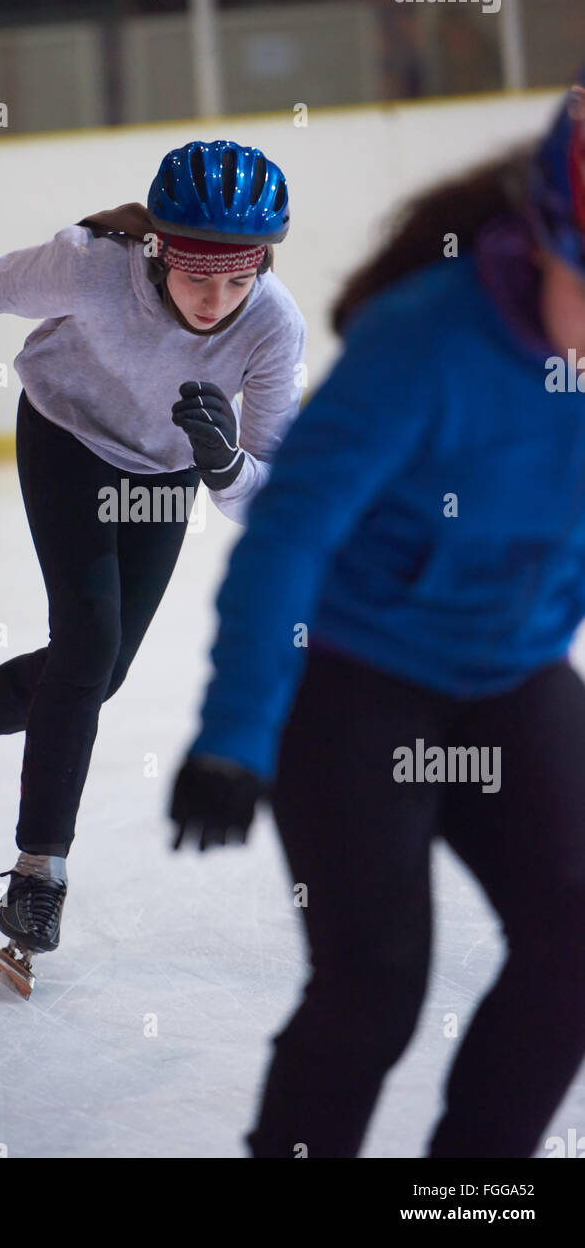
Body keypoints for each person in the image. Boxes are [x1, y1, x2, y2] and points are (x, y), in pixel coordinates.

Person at [168, 72, 585, 1158]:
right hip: (358, 679)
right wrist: (235, 733)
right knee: (376, 982)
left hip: (517, 672)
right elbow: (287, 535)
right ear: (541, 237)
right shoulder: (424, 345)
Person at [0, 139, 304, 971]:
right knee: (88, 646)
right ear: (160, 249)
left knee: (100, 671)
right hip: (65, 437)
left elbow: (274, 498)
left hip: (165, 471)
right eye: (200, 275)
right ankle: (38, 872)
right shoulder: (92, 267)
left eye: (239, 279)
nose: (217, 300)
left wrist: (228, 466)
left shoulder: (273, 325)